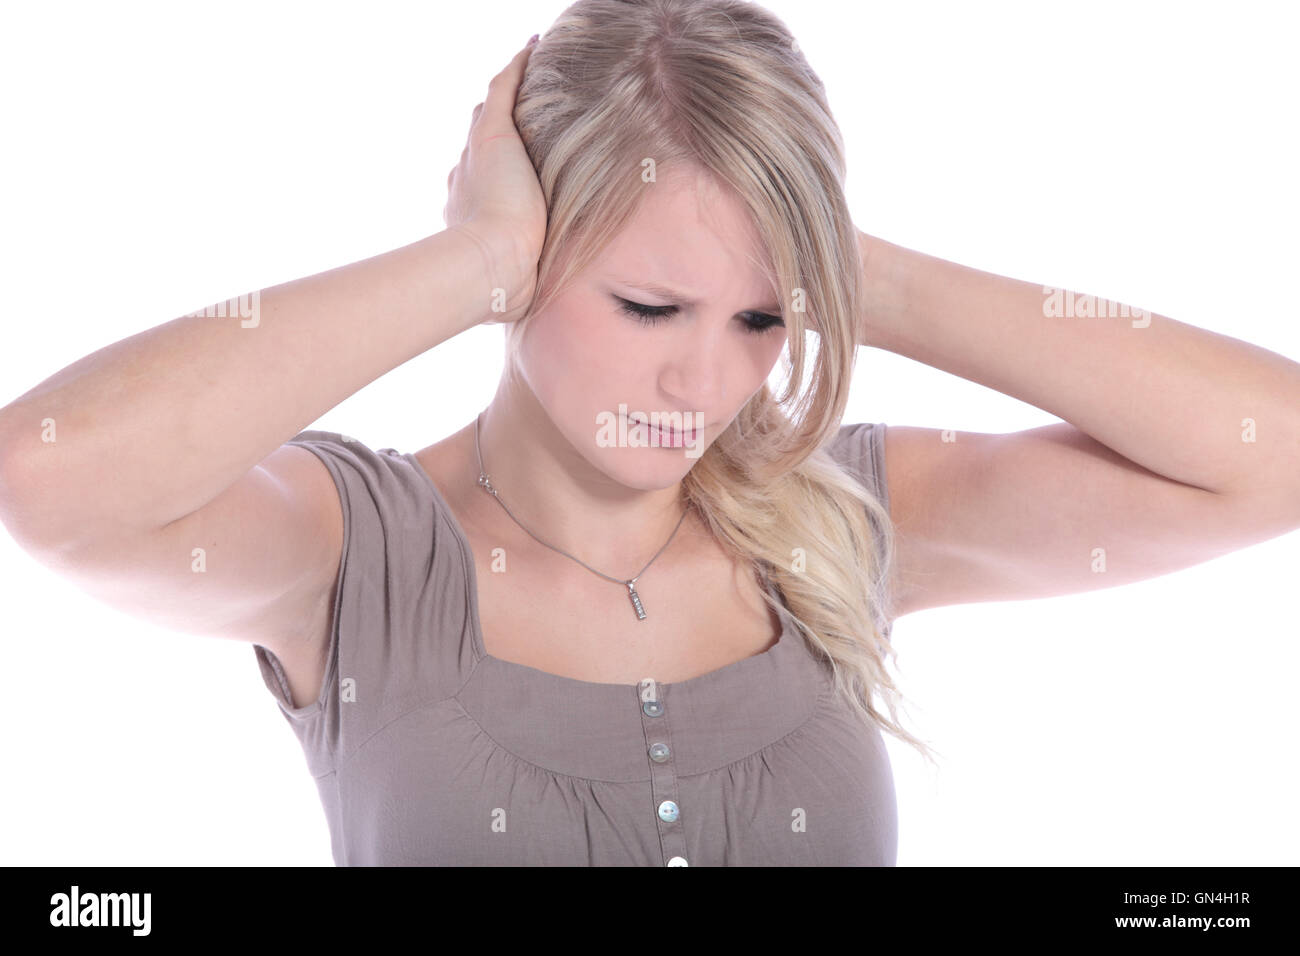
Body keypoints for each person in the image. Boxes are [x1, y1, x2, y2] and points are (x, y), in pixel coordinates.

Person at [1, 0, 1297, 866]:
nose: (703, 379)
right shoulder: (362, 557)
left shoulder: (840, 516)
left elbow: (1271, 451)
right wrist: (475, 258)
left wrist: (856, 280)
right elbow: (51, 469)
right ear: (531, 261)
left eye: (759, 317)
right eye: (646, 303)